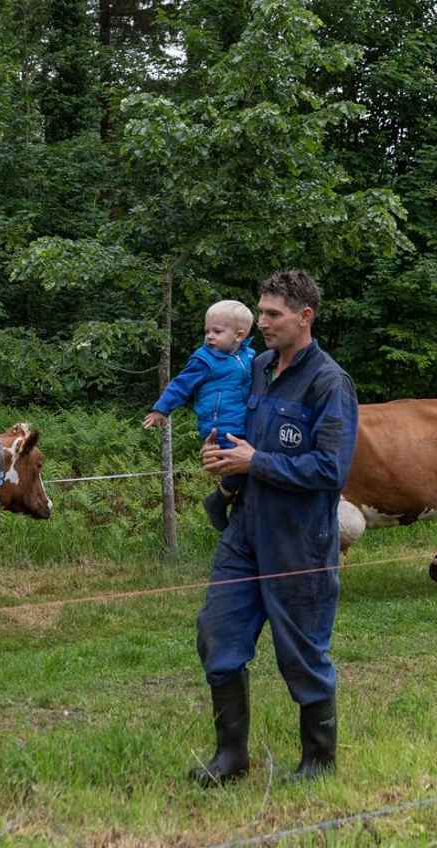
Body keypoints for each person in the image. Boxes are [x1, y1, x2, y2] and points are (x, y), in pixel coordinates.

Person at [189, 270, 358, 786]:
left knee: (302, 652)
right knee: (218, 637)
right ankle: (230, 757)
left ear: (304, 317)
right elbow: (245, 442)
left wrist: (255, 462)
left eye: (272, 314)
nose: (261, 322)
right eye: (260, 312)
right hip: (244, 534)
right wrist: (223, 456)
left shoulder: (330, 383)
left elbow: (331, 470)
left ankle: (317, 762)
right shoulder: (257, 368)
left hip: (299, 541)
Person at [143, 299, 256, 531]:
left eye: (217, 331)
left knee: (252, 464)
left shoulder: (249, 357)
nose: (209, 336)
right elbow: (181, 385)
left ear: (239, 335)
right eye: (207, 331)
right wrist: (161, 408)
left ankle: (227, 499)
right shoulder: (205, 359)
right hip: (220, 424)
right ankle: (218, 501)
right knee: (240, 465)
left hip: (244, 421)